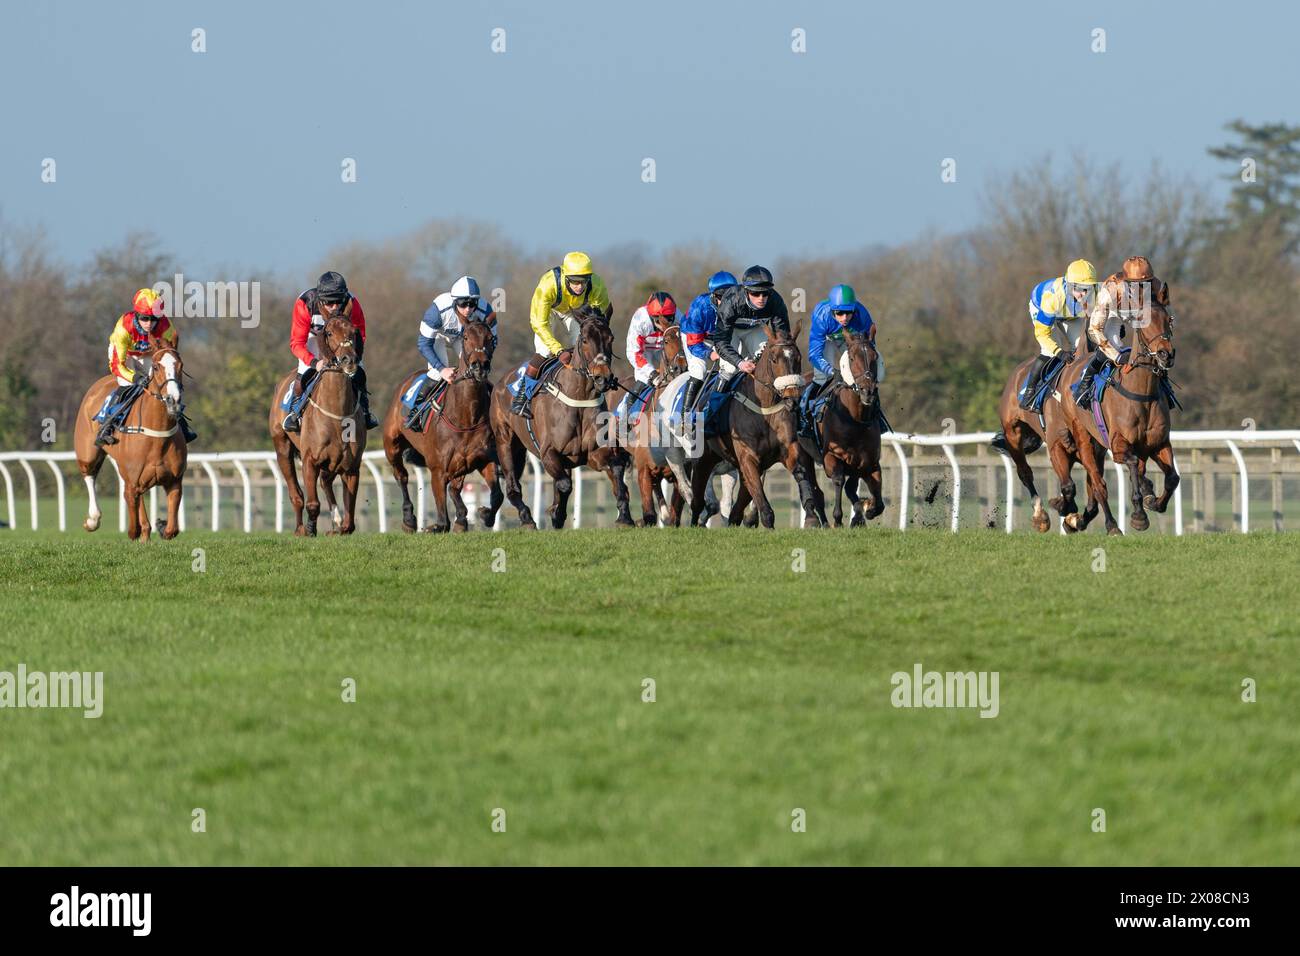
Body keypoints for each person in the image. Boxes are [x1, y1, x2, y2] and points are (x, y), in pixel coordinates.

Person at [510, 251, 613, 418]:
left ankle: (593, 386)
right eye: (574, 281)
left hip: (574, 312)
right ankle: (521, 397)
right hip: (548, 311)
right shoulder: (548, 286)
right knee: (544, 350)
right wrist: (558, 351)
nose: (579, 286)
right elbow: (539, 323)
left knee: (585, 344)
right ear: (565, 277)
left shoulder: (597, 285)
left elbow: (600, 319)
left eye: (584, 281)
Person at [95, 288, 197, 446]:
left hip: (149, 355)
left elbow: (168, 355)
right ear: (136, 314)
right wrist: (135, 377)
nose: (149, 324)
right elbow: (117, 365)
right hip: (125, 357)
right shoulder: (123, 328)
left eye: (154, 318)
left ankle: (181, 423)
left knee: (165, 381)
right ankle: (107, 426)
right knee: (127, 384)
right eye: (144, 318)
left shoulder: (166, 327)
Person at [282, 270, 377, 432]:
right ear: (321, 300)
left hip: (342, 342)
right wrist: (314, 362)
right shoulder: (306, 303)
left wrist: (354, 356)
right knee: (303, 374)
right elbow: (297, 343)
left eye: (338, 302)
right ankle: (294, 412)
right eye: (330, 303)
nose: (335, 308)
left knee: (360, 372)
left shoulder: (351, 303)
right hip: (313, 339)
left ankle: (365, 411)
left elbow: (360, 335)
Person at [1077, 256, 1173, 409]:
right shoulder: (1111, 290)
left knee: (1154, 347)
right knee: (1114, 345)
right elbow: (1094, 330)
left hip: (1137, 313)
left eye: (1146, 283)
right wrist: (1117, 356)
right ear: (1127, 282)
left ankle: (1165, 386)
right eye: (1137, 284)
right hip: (1114, 312)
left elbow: (1166, 313)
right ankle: (1084, 385)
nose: (1142, 288)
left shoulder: (1157, 285)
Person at [404, 276, 497, 428]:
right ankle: (416, 411)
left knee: (476, 371)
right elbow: (424, 344)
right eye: (463, 303)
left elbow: (493, 341)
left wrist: (484, 361)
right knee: (436, 373)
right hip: (439, 338)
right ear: (455, 301)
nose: (468, 309)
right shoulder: (437, 311)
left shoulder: (486, 311)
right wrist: (442, 369)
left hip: (465, 340)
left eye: (472, 303)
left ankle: (493, 410)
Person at [1019, 259, 1100, 411]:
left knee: (1083, 347)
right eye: (1079, 289)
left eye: (1088, 289)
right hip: (1043, 308)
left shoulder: (1096, 293)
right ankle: (1029, 392)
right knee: (1049, 351)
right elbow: (1042, 334)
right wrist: (1059, 352)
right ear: (1069, 285)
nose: (1084, 294)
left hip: (1069, 315)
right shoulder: (1053, 297)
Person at [799, 284, 880, 437]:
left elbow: (869, 348)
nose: (844, 317)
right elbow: (814, 354)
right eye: (839, 313)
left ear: (854, 310)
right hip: (827, 339)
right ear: (832, 311)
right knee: (822, 377)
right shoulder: (822, 316)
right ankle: (805, 418)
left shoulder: (862, 316)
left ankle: (877, 417)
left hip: (852, 341)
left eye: (848, 313)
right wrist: (831, 371)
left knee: (865, 377)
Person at [712, 265, 790, 383]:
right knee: (730, 368)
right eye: (755, 293)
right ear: (746, 291)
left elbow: (783, 336)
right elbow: (720, 341)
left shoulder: (776, 301)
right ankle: (715, 400)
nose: (761, 298)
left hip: (755, 329)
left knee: (770, 361)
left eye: (765, 293)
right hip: (731, 331)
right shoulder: (731, 301)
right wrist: (740, 362)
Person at [679, 271, 738, 414]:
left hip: (723, 339)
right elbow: (694, 343)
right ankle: (685, 415)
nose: (724, 302)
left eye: (729, 297)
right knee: (699, 371)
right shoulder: (700, 307)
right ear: (712, 296)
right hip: (697, 339)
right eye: (720, 297)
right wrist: (710, 354)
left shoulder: (739, 304)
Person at [626, 292, 678, 387]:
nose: (663, 324)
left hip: (665, 349)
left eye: (669, 319)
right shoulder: (640, 319)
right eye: (658, 321)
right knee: (643, 381)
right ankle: (627, 402)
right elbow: (633, 352)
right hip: (645, 352)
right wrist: (652, 374)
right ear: (651, 316)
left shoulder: (678, 317)